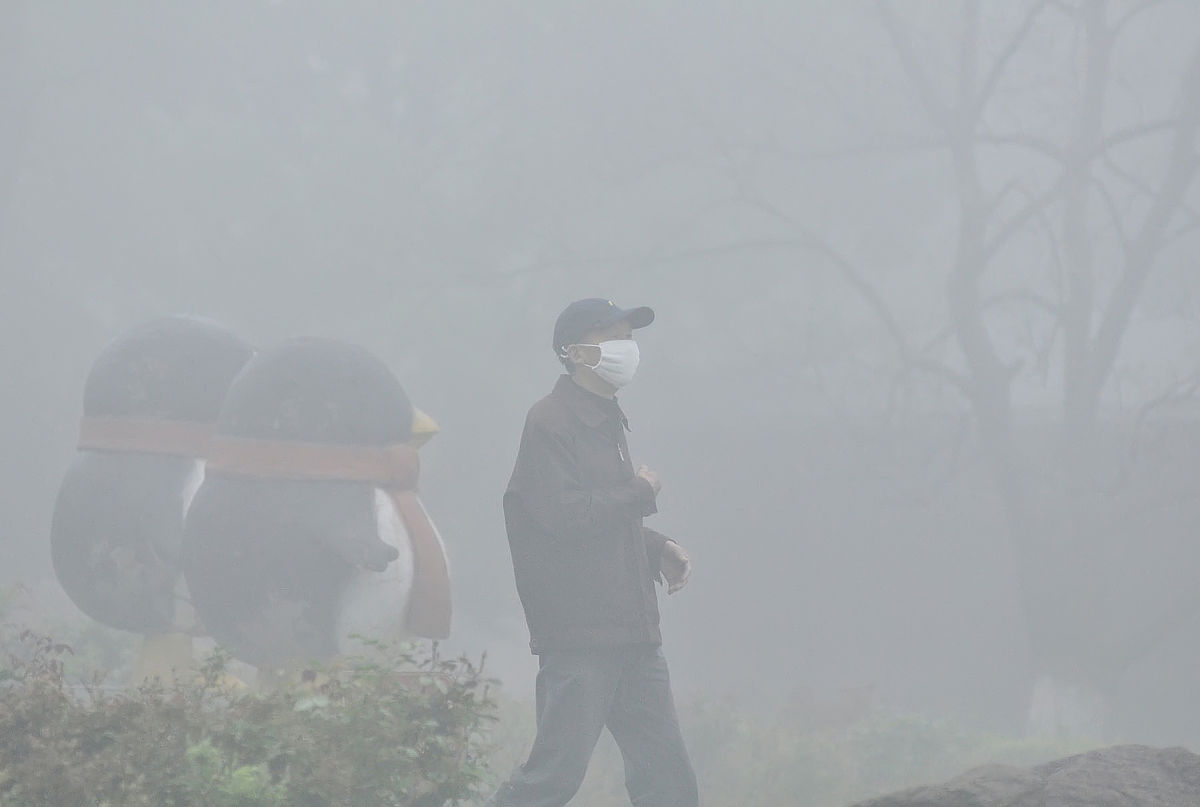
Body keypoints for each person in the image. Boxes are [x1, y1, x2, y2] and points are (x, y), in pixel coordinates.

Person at [484, 298, 698, 807]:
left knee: (668, 780)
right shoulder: (550, 421)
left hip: (633, 634)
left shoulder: (607, 418)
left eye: (630, 336)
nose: (627, 348)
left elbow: (598, 521)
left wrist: (655, 547)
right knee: (551, 779)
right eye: (612, 336)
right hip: (581, 638)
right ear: (575, 352)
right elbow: (561, 518)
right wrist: (640, 493)